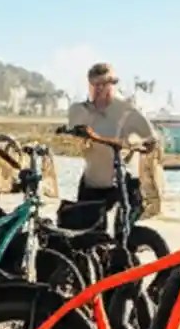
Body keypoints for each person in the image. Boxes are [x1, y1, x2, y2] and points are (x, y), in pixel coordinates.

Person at [65, 62, 160, 215]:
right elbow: (74, 141)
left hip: (122, 184)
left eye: (104, 84)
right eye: (95, 84)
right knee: (85, 234)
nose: (99, 89)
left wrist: (130, 147)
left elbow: (151, 142)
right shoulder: (79, 110)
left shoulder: (126, 111)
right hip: (92, 183)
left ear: (113, 84)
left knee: (123, 234)